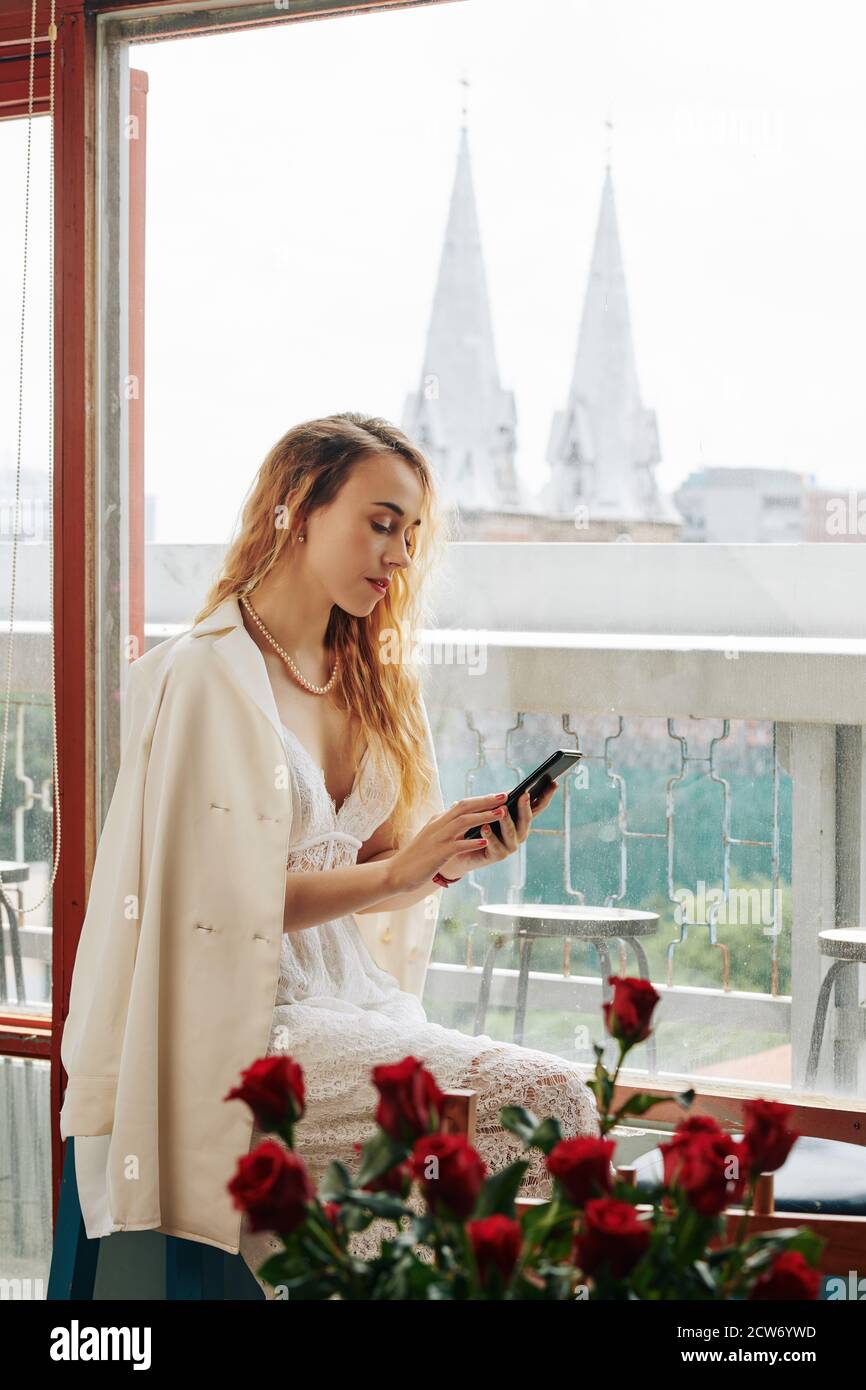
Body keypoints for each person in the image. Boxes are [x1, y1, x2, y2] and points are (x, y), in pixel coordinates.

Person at [212, 413, 601, 1296]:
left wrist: (441, 863)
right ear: (297, 509)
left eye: (411, 533)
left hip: (356, 999)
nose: (398, 554)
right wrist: (395, 871)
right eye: (381, 521)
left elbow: (372, 882)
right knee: (548, 1102)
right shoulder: (209, 678)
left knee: (536, 1122)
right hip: (248, 1018)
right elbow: (219, 901)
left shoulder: (369, 676)